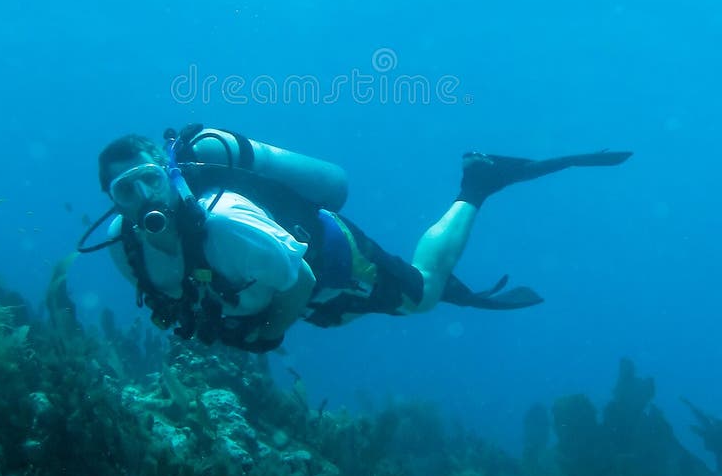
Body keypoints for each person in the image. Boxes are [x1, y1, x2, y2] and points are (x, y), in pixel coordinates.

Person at [80, 125, 632, 353]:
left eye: (151, 180)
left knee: (422, 297)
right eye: (127, 192)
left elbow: (300, 283)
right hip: (279, 284)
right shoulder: (122, 250)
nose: (145, 201)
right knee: (339, 315)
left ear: (172, 175)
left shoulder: (226, 222)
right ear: (113, 203)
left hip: (329, 258)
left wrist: (265, 336)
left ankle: (477, 183)